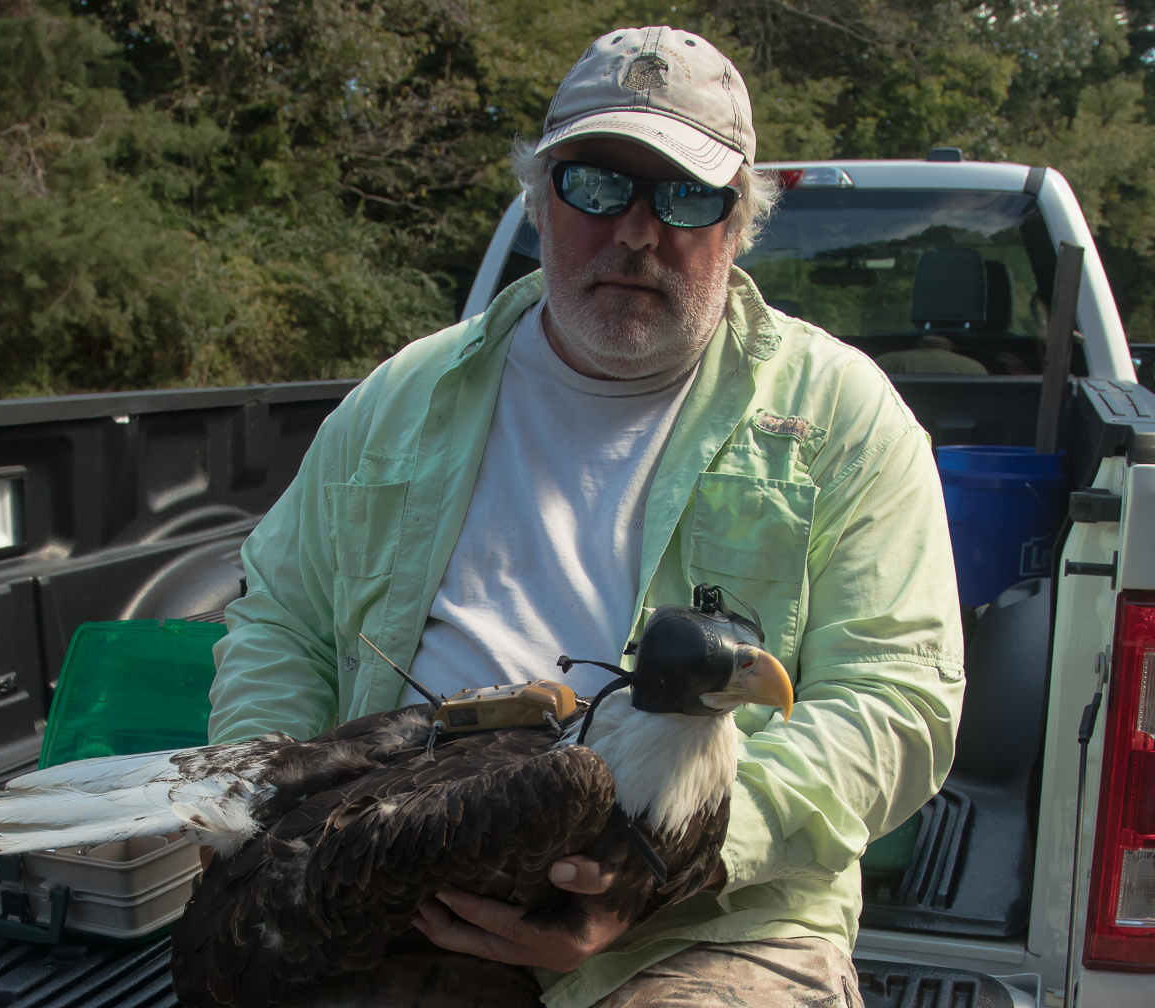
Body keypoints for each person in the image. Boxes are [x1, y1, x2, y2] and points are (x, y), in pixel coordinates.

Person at [208, 25, 964, 1008]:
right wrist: (264, 825)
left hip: (709, 918)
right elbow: (283, 621)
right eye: (597, 185)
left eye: (686, 195)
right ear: (539, 197)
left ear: (739, 223)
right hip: (405, 885)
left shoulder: (839, 417)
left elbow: (897, 698)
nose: (636, 231)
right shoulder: (403, 395)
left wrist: (662, 858)